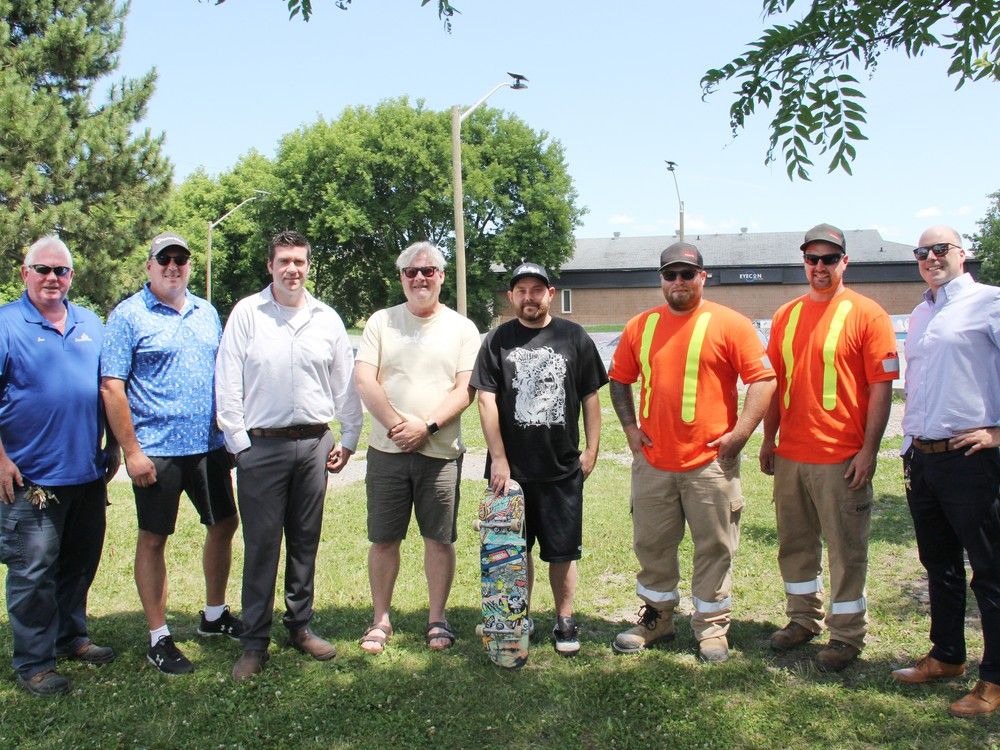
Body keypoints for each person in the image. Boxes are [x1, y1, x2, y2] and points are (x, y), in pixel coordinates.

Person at [609, 241, 776, 662]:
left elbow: (764, 380)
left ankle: (711, 628)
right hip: (654, 464)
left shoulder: (731, 324)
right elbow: (619, 379)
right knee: (652, 545)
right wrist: (630, 428)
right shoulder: (640, 326)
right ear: (661, 280)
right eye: (671, 275)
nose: (678, 281)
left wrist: (739, 435)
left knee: (715, 546)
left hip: (710, 464)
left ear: (704, 276)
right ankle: (657, 619)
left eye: (687, 274)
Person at [215, 230, 362, 682]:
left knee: (304, 541)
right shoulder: (247, 314)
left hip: (313, 446)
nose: (292, 269)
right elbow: (227, 381)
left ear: (308, 265)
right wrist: (240, 444)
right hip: (261, 447)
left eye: (299, 261)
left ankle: (299, 626)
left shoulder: (326, 319)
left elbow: (345, 382)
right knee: (261, 546)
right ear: (270, 266)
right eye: (283, 261)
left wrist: (350, 436)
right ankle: (254, 642)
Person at [101, 232, 242, 676]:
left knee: (224, 523)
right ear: (149, 266)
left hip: (208, 446)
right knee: (154, 537)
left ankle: (214, 615)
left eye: (180, 259)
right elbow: (112, 386)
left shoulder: (207, 312)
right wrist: (132, 451)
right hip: (156, 451)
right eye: (165, 259)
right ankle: (158, 636)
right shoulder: (128, 316)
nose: (173, 266)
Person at [759, 223, 898, 672]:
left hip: (841, 457)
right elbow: (776, 384)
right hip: (792, 456)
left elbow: (881, 387)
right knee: (795, 545)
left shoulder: (868, 313)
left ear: (844, 262)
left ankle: (846, 634)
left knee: (845, 550)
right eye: (812, 259)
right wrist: (768, 439)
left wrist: (869, 451)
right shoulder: (786, 315)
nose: (819, 267)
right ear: (804, 262)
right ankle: (802, 620)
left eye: (829, 259)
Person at [0, 236, 119, 696]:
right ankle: (33, 662)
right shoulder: (7, 323)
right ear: (24, 273)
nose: (53, 278)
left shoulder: (90, 322)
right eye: (43, 269)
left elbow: (108, 388)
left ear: (72, 277)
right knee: (33, 572)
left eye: (61, 271)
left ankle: (72, 636)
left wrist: (111, 446)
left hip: (87, 473)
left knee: (77, 563)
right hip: (30, 476)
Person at [472, 262, 608, 656]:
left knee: (563, 550)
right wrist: (498, 459)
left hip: (561, 466)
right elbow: (485, 399)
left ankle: (564, 619)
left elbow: (590, 397)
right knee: (514, 550)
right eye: (521, 291)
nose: (529, 297)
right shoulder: (498, 340)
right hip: (509, 472)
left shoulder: (574, 337)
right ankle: (518, 615)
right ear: (511, 296)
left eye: (537, 290)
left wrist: (592, 450)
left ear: (550, 293)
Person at [892, 225, 1000, 717]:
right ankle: (947, 656)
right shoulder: (919, 313)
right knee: (941, 565)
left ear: (963, 253)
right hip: (925, 458)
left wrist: (999, 433)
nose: (931, 257)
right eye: (922, 252)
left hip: (972, 460)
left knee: (991, 571)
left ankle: (994, 679)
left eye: (941, 249)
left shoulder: (989, 302)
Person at [354, 241, 479, 654]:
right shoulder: (380, 322)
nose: (420, 278)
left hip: (440, 452)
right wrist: (396, 426)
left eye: (428, 271)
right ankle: (380, 620)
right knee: (384, 539)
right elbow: (365, 380)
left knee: (439, 539)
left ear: (442, 276)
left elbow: (466, 389)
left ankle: (437, 619)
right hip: (387, 452)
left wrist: (426, 426)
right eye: (411, 271)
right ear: (401, 277)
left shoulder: (462, 328)